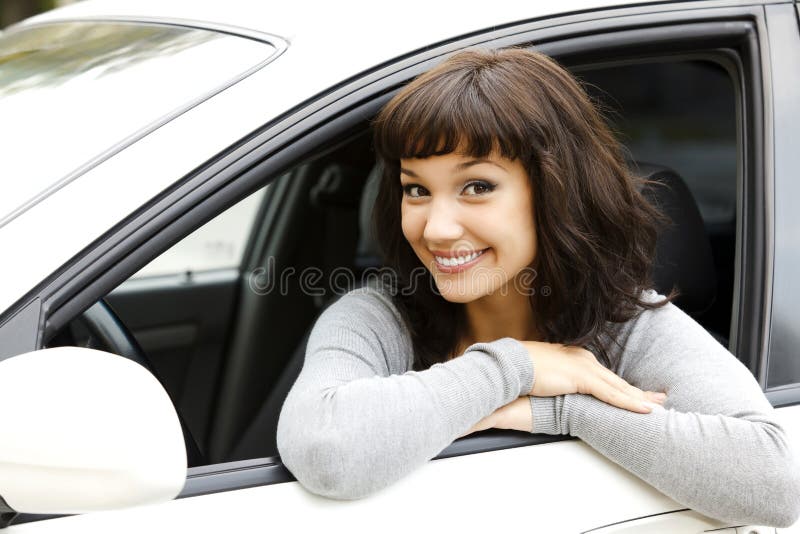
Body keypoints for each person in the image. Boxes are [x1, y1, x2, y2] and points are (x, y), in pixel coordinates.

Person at [276, 47, 800, 527]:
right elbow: (325, 450)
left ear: (554, 191)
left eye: (476, 186)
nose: (435, 228)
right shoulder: (377, 316)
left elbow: (776, 482)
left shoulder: (626, 324)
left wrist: (561, 409)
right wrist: (516, 367)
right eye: (416, 189)